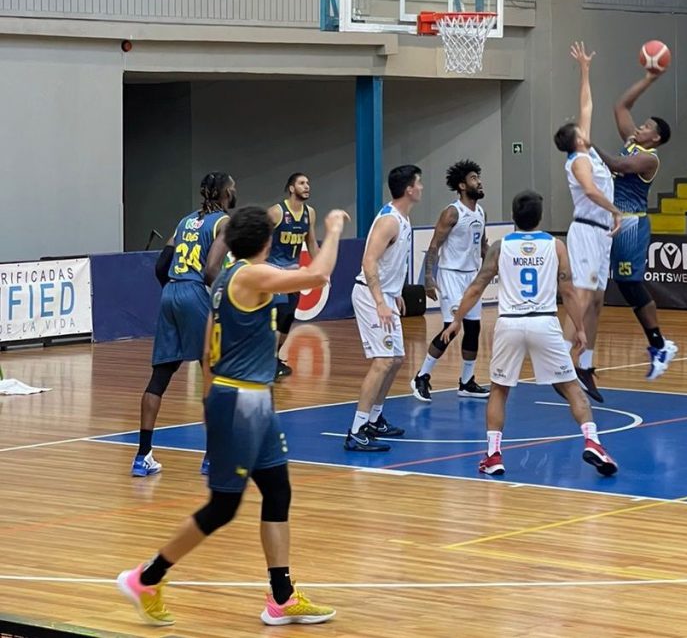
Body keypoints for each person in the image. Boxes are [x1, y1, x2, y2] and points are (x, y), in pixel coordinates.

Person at [117, 204, 348, 627]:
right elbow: (316, 276)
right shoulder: (250, 275)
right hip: (240, 402)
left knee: (278, 491)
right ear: (267, 241)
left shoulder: (224, 279)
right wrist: (332, 229)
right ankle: (147, 577)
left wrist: (210, 404)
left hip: (249, 399)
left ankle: (282, 597)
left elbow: (208, 351)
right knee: (223, 506)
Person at [441, 191, 618, 477]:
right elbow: (569, 291)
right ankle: (593, 442)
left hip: (510, 323)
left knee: (499, 390)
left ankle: (494, 456)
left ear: (513, 217)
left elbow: (476, 287)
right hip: (544, 322)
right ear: (540, 218)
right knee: (573, 388)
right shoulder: (555, 245)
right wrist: (581, 329)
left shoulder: (500, 247)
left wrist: (456, 319)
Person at [132, 172, 236, 477]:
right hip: (193, 293)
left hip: (171, 292)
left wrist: (174, 289)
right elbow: (210, 271)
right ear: (226, 193)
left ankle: (142, 457)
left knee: (159, 378)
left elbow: (161, 265)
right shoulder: (224, 222)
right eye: (234, 189)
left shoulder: (184, 221)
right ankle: (212, 456)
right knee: (211, 376)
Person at [590, 69, 676, 380]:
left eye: (647, 127)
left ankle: (660, 344)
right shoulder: (632, 141)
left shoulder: (649, 159)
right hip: (613, 221)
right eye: (642, 124)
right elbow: (621, 107)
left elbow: (616, 164)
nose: (640, 127)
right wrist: (649, 79)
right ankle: (584, 357)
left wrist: (587, 145)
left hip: (631, 225)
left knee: (628, 284)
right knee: (599, 283)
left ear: (656, 138)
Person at [552, 41, 623, 402]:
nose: (585, 128)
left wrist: (584, 70)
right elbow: (592, 191)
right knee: (581, 295)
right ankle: (563, 365)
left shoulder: (588, 150)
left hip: (601, 236)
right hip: (585, 230)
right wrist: (615, 211)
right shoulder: (578, 162)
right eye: (580, 130)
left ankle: (585, 364)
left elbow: (587, 105)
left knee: (597, 300)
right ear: (575, 139)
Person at [345, 165, 421, 452]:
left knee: (397, 358)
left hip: (386, 296)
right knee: (382, 361)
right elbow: (369, 262)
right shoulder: (389, 221)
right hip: (369, 296)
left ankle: (374, 420)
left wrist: (395, 293)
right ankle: (356, 431)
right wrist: (380, 301)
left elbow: (393, 262)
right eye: (419, 183)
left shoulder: (404, 218)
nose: (422, 188)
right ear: (409, 189)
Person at [411, 160, 491, 402]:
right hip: (451, 275)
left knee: (473, 329)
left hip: (471, 277)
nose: (479, 182)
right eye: (474, 178)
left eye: (478, 177)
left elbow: (483, 244)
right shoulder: (452, 212)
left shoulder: (480, 211)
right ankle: (421, 377)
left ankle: (466, 382)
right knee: (451, 329)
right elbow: (434, 245)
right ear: (461, 185)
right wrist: (428, 278)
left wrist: (492, 266)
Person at [267, 173, 320, 377]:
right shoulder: (276, 212)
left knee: (288, 317)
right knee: (279, 313)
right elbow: (259, 237)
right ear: (291, 188)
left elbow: (311, 242)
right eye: (302, 183)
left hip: (293, 272)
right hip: (274, 271)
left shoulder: (310, 213)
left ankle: (276, 358)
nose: (307, 186)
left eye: (308, 182)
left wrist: (320, 270)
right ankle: (267, 360)